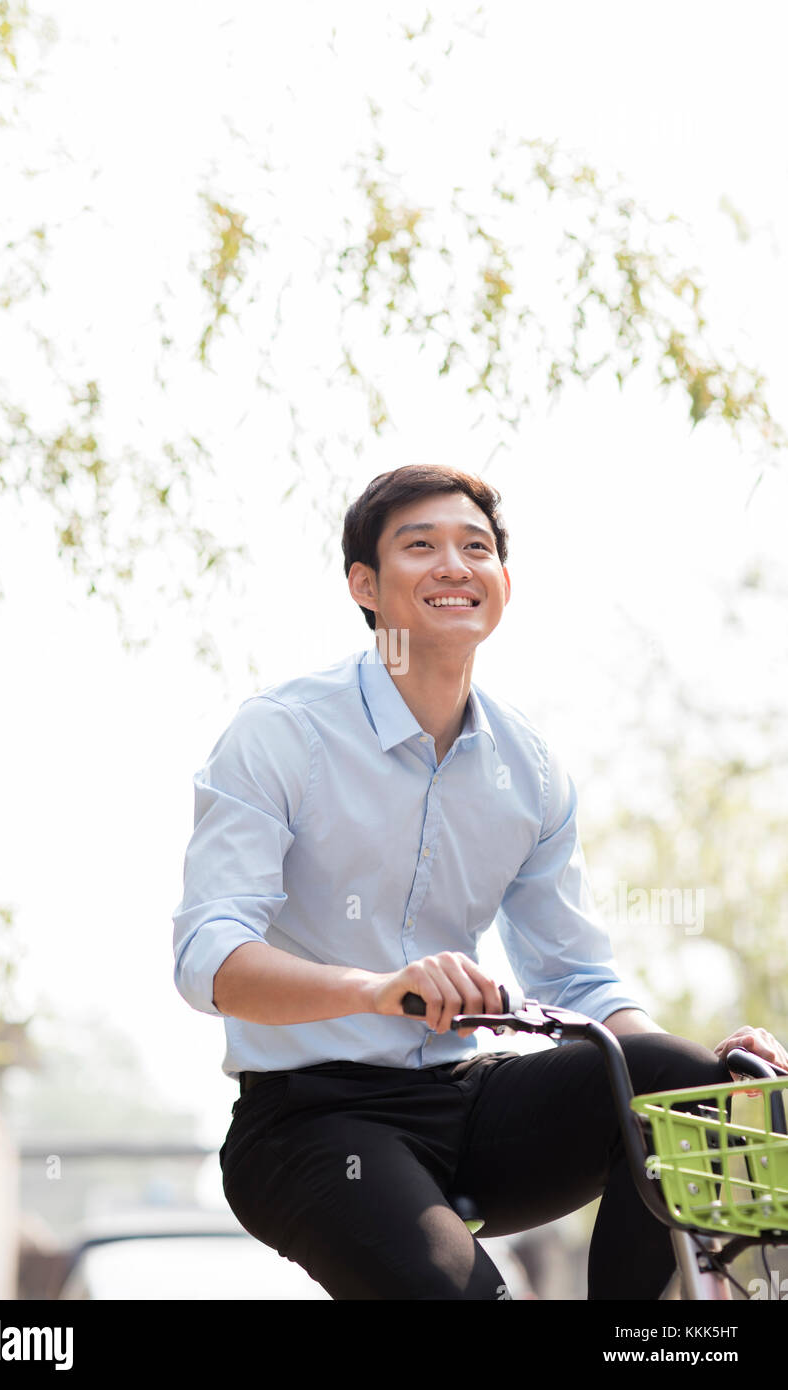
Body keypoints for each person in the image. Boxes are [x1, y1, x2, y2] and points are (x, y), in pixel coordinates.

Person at [172, 463, 788, 1300]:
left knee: (675, 1076)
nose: (454, 566)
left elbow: (578, 977)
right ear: (366, 584)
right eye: (419, 547)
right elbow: (211, 960)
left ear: (503, 583)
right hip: (311, 1122)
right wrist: (378, 989)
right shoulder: (280, 736)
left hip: (467, 1103)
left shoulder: (528, 768)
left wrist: (704, 1072)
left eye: (476, 547)